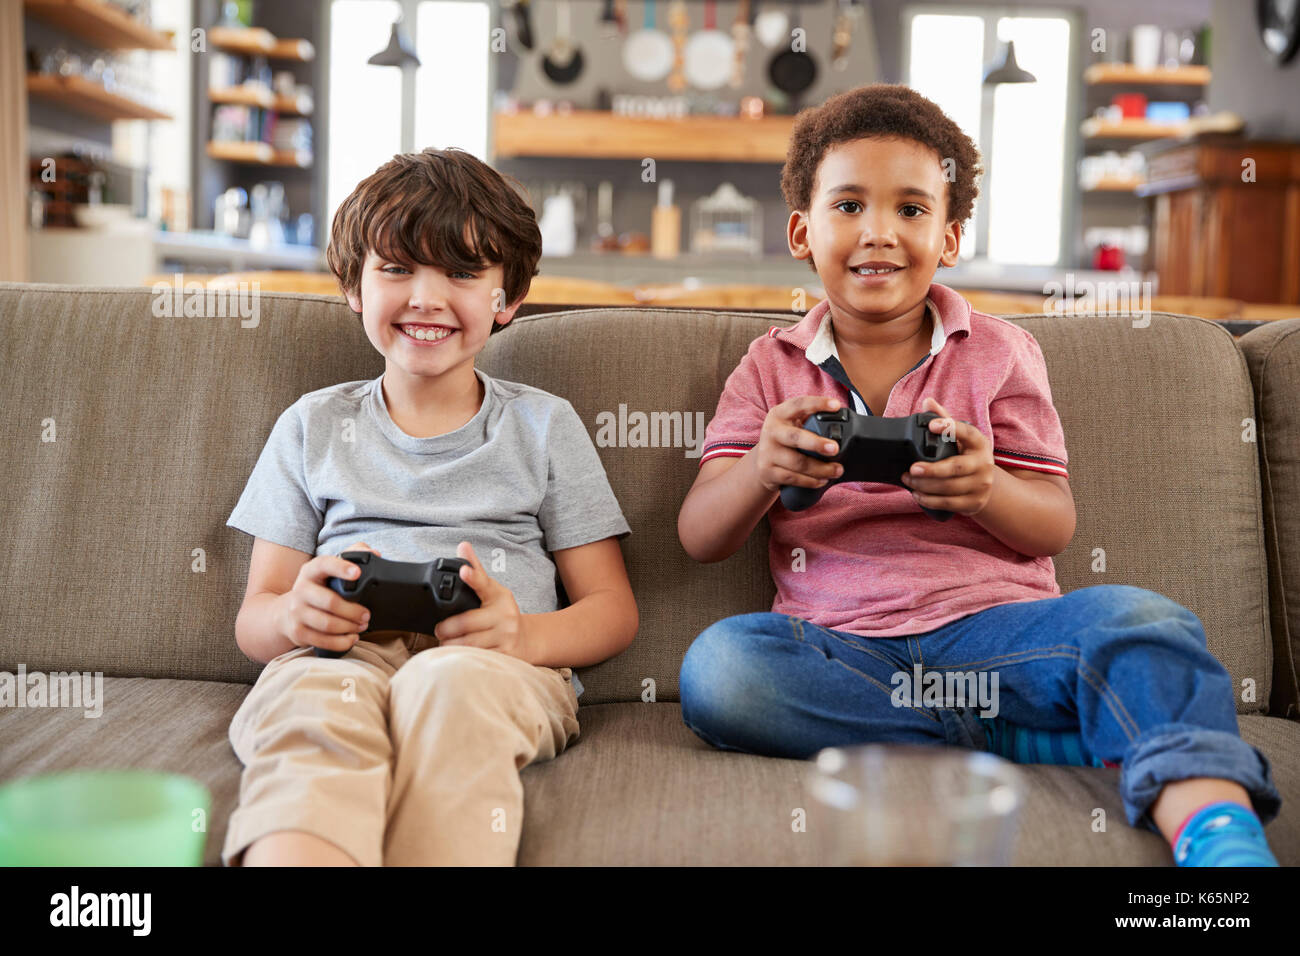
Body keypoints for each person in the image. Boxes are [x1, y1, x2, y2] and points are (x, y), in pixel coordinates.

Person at [676, 84, 1279, 867]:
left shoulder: (998, 353)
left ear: (952, 238)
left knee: (1143, 620)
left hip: (1001, 633)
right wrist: (763, 466)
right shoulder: (770, 366)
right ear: (803, 229)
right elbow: (700, 535)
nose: (879, 233)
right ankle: (1000, 733)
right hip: (843, 649)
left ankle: (1218, 836)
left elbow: (1054, 522)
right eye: (850, 205)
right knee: (721, 669)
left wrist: (985, 489)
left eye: (912, 210)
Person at [222, 147, 637, 866]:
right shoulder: (311, 425)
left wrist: (522, 637)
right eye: (396, 268)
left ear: (506, 300)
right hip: (337, 657)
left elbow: (612, 610)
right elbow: (255, 617)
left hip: (491, 666)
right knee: (316, 711)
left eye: (463, 273)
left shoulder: (544, 425)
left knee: (448, 692)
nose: (425, 296)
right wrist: (294, 616)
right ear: (354, 286)